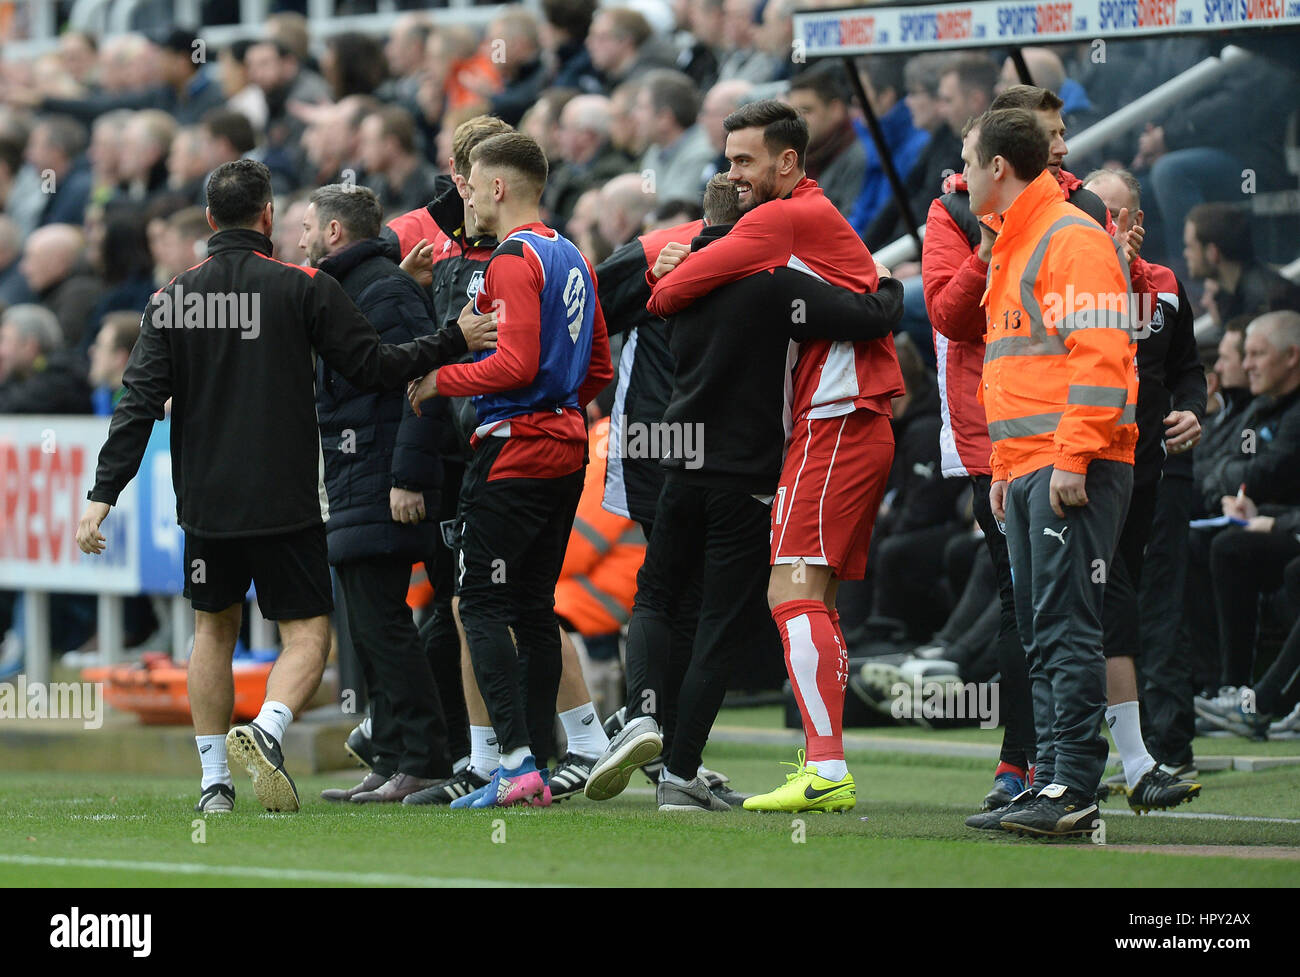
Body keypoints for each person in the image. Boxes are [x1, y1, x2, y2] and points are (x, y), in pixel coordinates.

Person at [74, 159, 473, 815]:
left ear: (209, 221)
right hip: (286, 499)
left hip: (206, 501)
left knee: (213, 629)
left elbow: (137, 401)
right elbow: (375, 366)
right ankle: (268, 727)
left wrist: (102, 494)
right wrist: (451, 337)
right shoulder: (304, 286)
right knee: (309, 632)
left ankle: (213, 784)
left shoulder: (173, 297)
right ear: (266, 218)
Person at [590, 100, 905, 813]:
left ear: (786, 163)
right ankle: (684, 773)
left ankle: (643, 716)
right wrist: (886, 292)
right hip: (752, 468)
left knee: (659, 597)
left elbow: (661, 296)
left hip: (677, 458)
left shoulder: (738, 246)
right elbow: (873, 312)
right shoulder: (777, 279)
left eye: (743, 159)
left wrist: (671, 272)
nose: (736, 170)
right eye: (730, 164)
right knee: (736, 618)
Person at [407, 132, 613, 809]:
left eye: (470, 183)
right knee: (532, 605)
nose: (462, 192)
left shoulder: (512, 259)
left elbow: (514, 364)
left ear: (497, 187)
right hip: (565, 445)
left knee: (480, 604)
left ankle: (516, 762)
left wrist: (442, 379)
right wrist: (557, 409)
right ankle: (546, 758)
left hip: (514, 449)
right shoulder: (573, 257)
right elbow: (600, 369)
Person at [969, 108, 1137, 838]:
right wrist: (1006, 467)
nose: (962, 175)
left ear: (999, 168)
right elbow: (1014, 373)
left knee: (1066, 625)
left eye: (968, 161)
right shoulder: (1024, 239)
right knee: (1043, 629)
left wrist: (1071, 457)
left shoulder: (1068, 236)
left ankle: (1072, 784)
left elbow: (1102, 355)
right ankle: (1050, 778)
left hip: (1073, 464)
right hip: (1033, 463)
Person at [299, 183, 495, 805]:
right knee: (368, 623)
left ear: (334, 232)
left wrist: (407, 476)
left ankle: (423, 757)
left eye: (308, 226)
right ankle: (393, 755)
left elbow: (423, 384)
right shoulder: (357, 288)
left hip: (382, 474)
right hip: (359, 472)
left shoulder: (382, 290)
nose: (300, 238)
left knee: (384, 622)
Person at [1082, 168, 1205, 813]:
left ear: (1139, 223)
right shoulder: (1076, 282)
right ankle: (1118, 758)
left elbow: (1187, 367)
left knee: (1139, 600)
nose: (1112, 227)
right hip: (1087, 464)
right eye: (1098, 213)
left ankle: (1149, 748)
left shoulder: (1162, 288)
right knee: (1106, 601)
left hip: (1152, 473)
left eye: (1121, 216)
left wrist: (1193, 407)